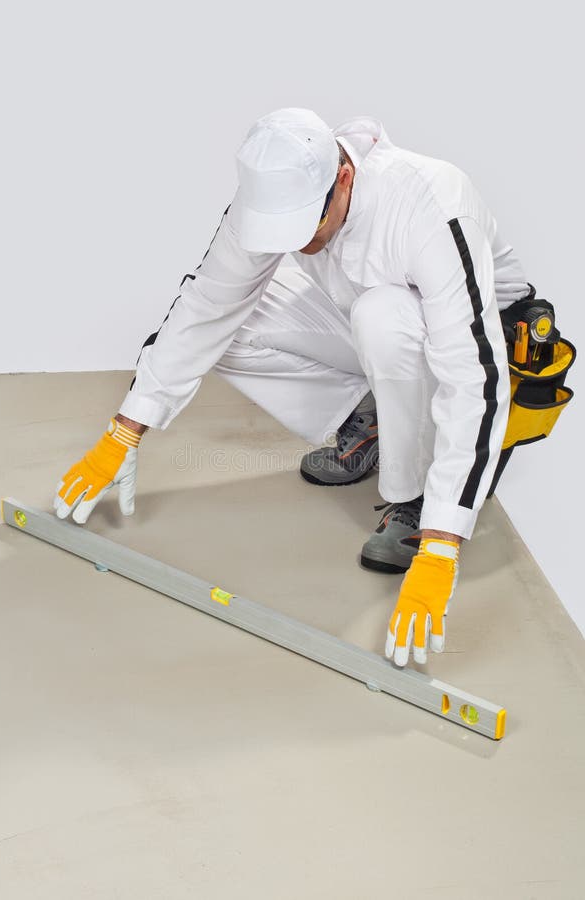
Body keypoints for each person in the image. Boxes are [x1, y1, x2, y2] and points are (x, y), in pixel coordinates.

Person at [53, 107, 536, 669]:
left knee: (384, 316)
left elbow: (472, 375)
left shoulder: (433, 204)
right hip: (366, 320)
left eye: (306, 223)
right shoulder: (271, 196)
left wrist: (442, 544)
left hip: (481, 343)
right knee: (237, 325)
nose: (297, 242)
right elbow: (208, 304)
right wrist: (125, 430)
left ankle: (414, 498)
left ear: (345, 178)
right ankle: (378, 418)